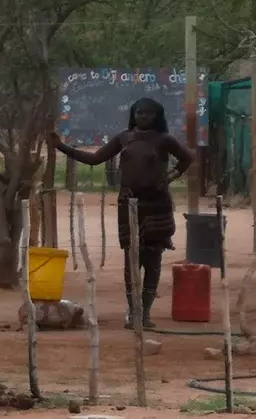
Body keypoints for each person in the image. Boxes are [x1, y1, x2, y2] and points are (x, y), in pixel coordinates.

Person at [48, 98, 193, 329]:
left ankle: (145, 313)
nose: (143, 117)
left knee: (153, 259)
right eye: (138, 113)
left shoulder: (164, 140)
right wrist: (61, 147)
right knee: (131, 259)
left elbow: (188, 158)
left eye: (148, 113)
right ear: (133, 115)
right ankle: (133, 312)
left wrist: (171, 176)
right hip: (128, 202)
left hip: (156, 204)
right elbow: (95, 159)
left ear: (157, 116)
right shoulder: (123, 138)